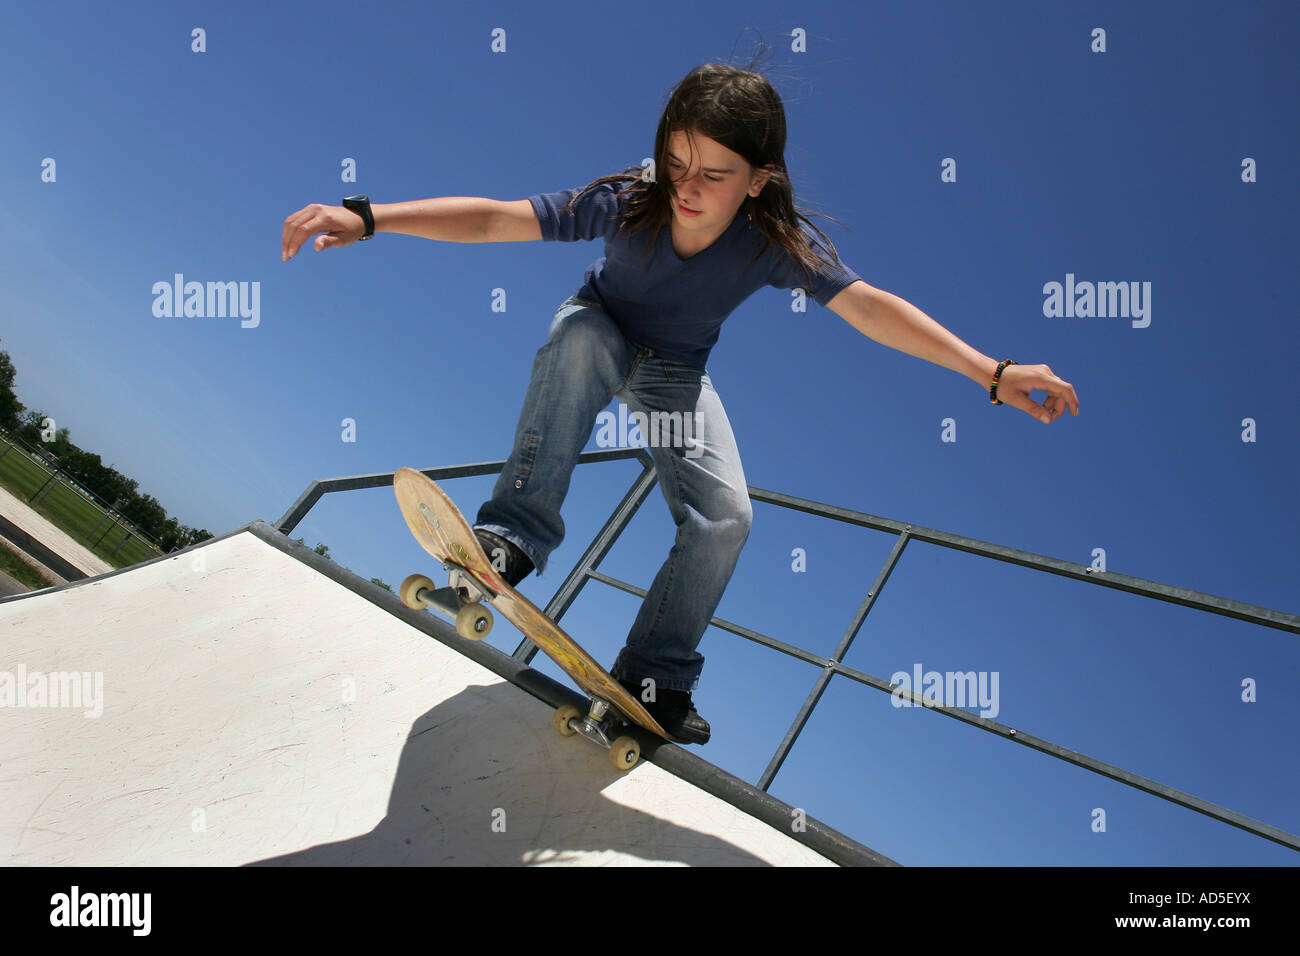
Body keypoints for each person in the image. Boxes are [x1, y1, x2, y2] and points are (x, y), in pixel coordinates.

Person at [281, 62, 1080, 746]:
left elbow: (868, 306)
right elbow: (502, 217)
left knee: (727, 516)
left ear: (758, 180)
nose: (686, 190)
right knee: (580, 342)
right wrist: (369, 216)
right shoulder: (632, 197)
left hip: (674, 378)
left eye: (712, 176)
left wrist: (989, 371)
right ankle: (510, 538)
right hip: (601, 327)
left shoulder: (773, 242)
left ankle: (657, 674)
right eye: (676, 163)